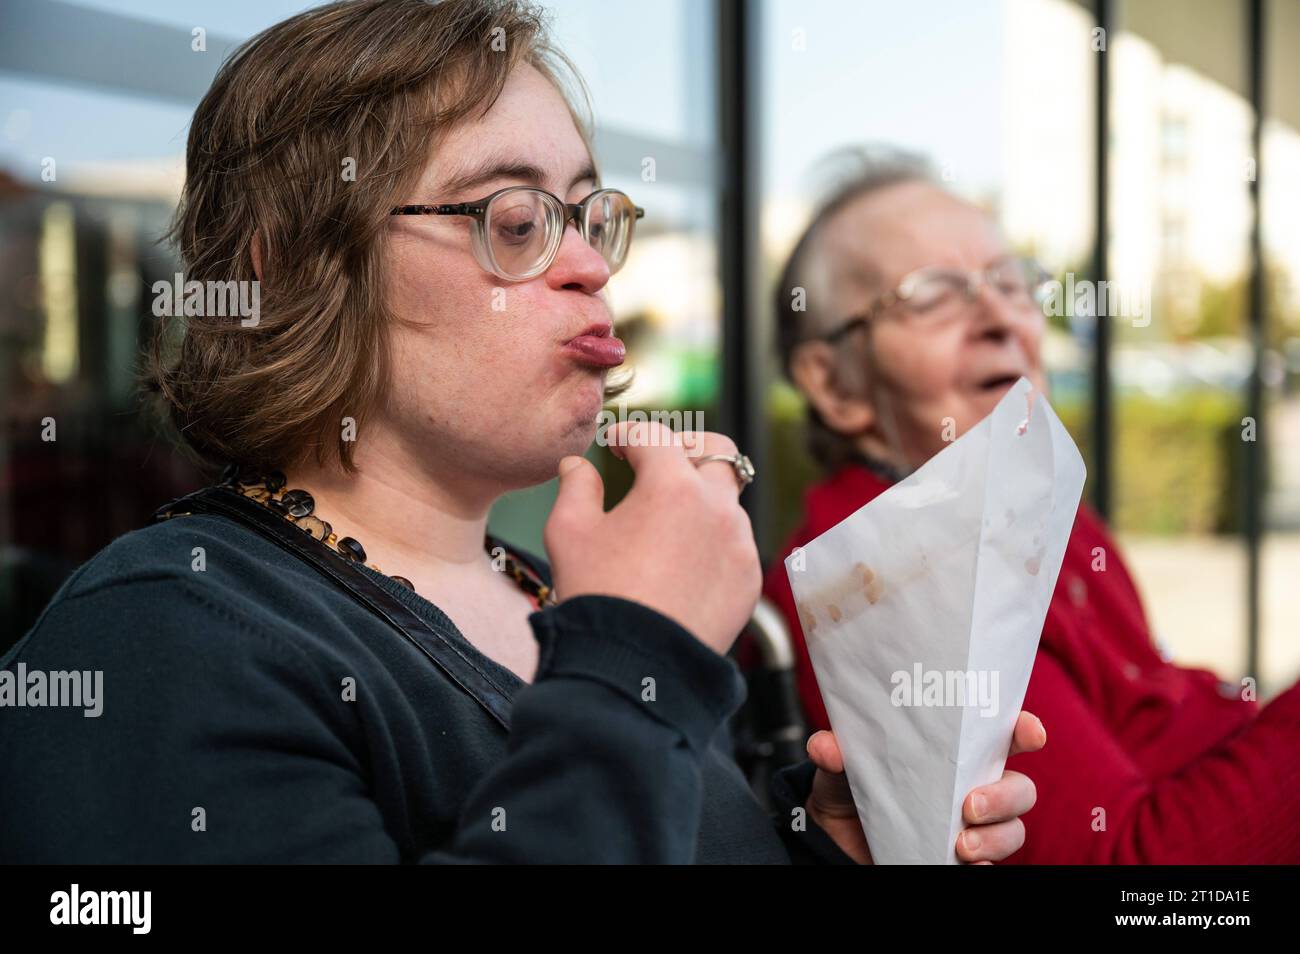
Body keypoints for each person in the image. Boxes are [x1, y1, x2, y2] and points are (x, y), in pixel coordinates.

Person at [0, 1, 1041, 864]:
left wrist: (824, 844)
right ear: (284, 278)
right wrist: (640, 657)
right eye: (511, 219)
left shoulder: (548, 592)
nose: (589, 264)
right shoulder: (159, 639)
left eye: (589, 216)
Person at [763, 147, 1300, 864]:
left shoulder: (1031, 495)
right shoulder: (874, 577)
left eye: (1012, 282)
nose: (999, 316)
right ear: (834, 384)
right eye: (932, 293)